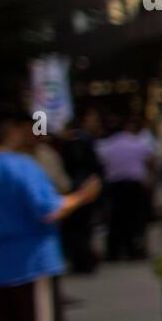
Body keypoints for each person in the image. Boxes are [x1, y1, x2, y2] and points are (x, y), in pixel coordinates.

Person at [0, 108, 101, 321]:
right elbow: (48, 208)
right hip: (30, 263)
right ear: (12, 130)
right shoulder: (20, 166)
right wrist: (82, 197)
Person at [96, 115, 157, 260]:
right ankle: (133, 248)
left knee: (117, 219)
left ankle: (115, 250)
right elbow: (151, 160)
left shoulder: (109, 144)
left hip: (115, 186)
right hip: (134, 186)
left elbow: (102, 163)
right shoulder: (138, 143)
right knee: (135, 219)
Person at [58, 108, 105, 273]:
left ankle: (82, 260)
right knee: (82, 227)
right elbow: (95, 165)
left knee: (78, 228)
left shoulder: (71, 142)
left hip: (77, 187)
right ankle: (85, 260)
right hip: (85, 187)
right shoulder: (83, 140)